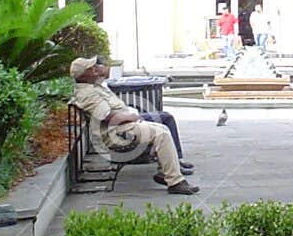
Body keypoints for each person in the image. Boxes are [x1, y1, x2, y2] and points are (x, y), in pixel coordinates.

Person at [68, 57, 198, 193]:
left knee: (163, 127)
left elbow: (105, 74)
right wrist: (132, 117)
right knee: (162, 134)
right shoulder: (87, 93)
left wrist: (132, 117)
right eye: (91, 68)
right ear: (83, 75)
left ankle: (166, 173)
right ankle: (175, 182)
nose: (95, 69)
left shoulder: (93, 85)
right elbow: (108, 117)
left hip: (122, 126)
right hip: (116, 133)